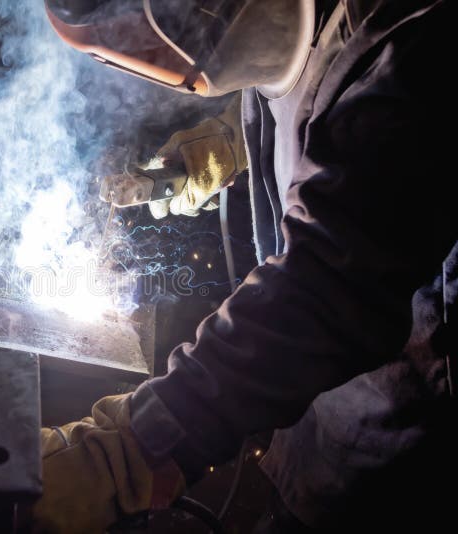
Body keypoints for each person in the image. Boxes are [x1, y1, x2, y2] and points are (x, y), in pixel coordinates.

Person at [34, 0, 456, 532]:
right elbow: (319, 95)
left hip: (402, 462)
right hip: (314, 412)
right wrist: (228, 146)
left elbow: (326, 285)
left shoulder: (419, 42)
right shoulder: (312, 25)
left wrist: (140, 444)